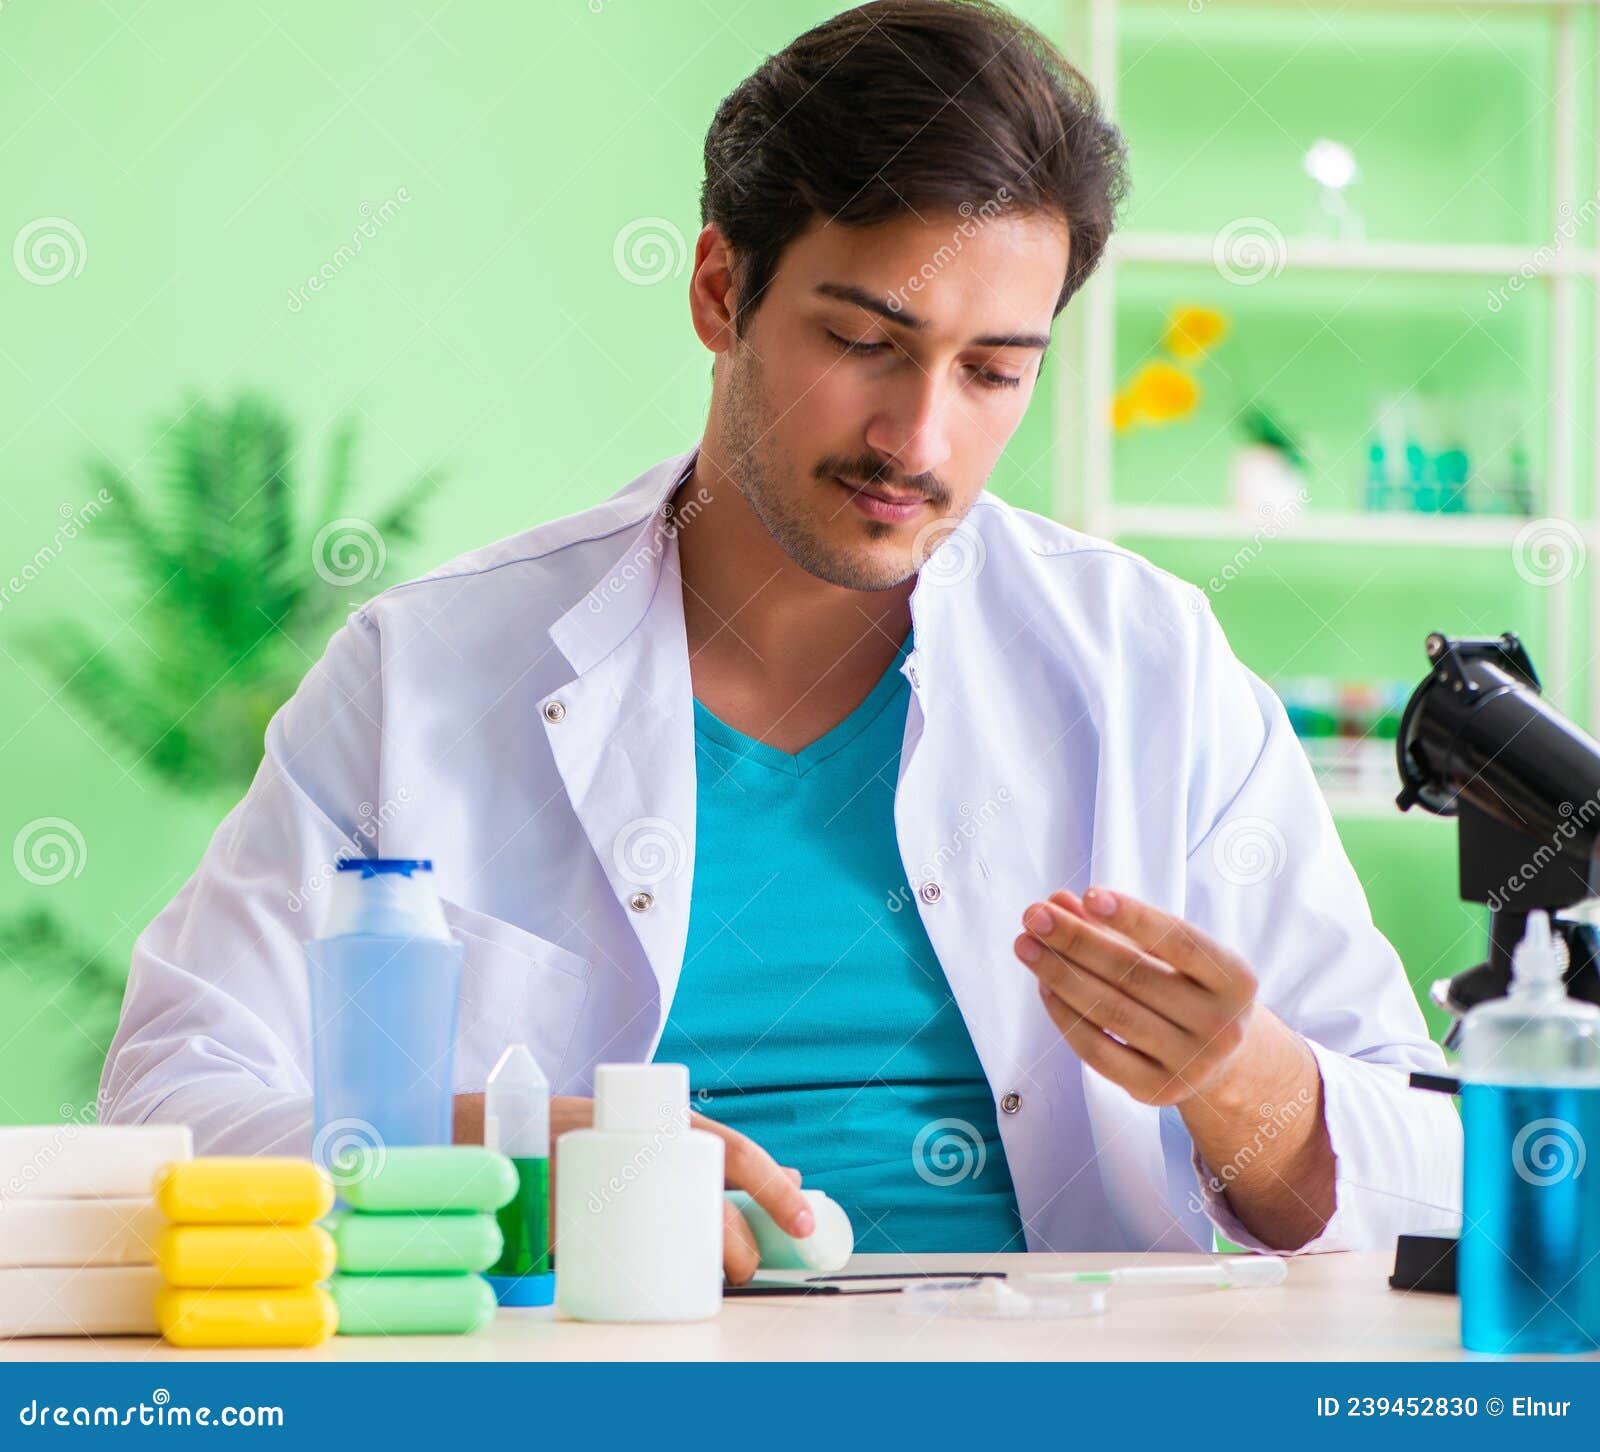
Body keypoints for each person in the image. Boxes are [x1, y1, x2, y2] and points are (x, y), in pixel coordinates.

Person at [101, 0, 1461, 1283]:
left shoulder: (1147, 660)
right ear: (717, 291)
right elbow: (169, 1105)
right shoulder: (429, 674)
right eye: (865, 341)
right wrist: (508, 1156)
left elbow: (1431, 1179)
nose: (919, 441)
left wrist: (1239, 1081)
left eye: (994, 372)